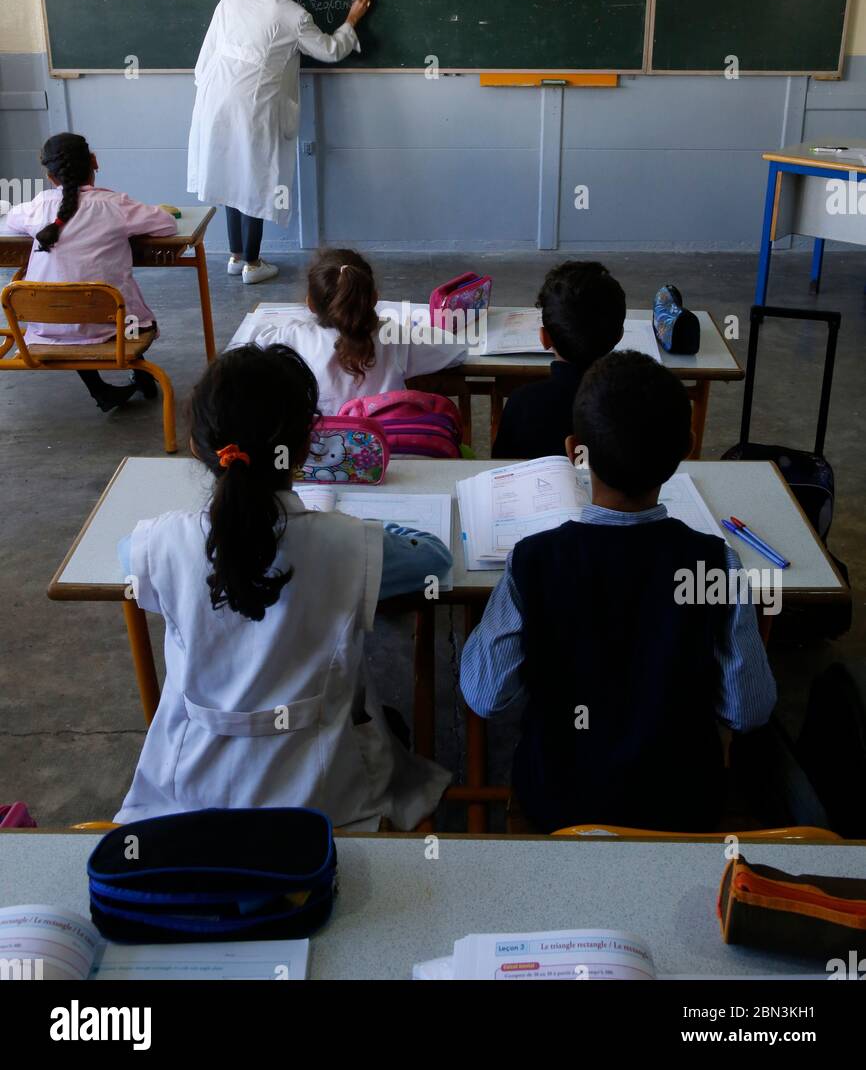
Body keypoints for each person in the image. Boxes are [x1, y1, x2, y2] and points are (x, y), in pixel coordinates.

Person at [115, 343, 452, 830]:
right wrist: (367, 526)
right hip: (323, 799)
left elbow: (128, 552)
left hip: (189, 797)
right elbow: (432, 558)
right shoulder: (346, 541)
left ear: (196, 446)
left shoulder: (164, 541)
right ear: (305, 446)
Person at [461, 351, 777, 833]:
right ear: (687, 448)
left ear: (574, 452)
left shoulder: (534, 560)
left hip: (560, 805)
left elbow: (486, 695)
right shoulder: (716, 564)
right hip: (682, 808)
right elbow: (746, 710)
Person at [188, 0, 371, 285]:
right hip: (254, 103)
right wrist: (351, 20)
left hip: (216, 95)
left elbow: (208, 49)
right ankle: (253, 264)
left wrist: (207, 88)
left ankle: (236, 255)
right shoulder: (291, 14)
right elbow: (330, 50)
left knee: (230, 173)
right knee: (254, 177)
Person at [4, 132, 176, 412]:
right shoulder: (114, 205)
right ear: (94, 162)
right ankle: (140, 372)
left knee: (71, 300)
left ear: (50, 177)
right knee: (110, 306)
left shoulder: (37, 207)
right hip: (118, 328)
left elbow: (12, 218)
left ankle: (101, 388)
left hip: (49, 328)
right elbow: (166, 224)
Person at [229, 247, 467, 416]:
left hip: (321, 464)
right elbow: (457, 352)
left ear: (310, 304)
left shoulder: (291, 336)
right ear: (374, 299)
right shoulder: (396, 336)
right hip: (391, 458)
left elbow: (237, 353)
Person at [492, 260, 625, 460]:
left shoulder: (523, 403)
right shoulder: (632, 404)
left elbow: (502, 465)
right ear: (620, 335)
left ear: (544, 338)